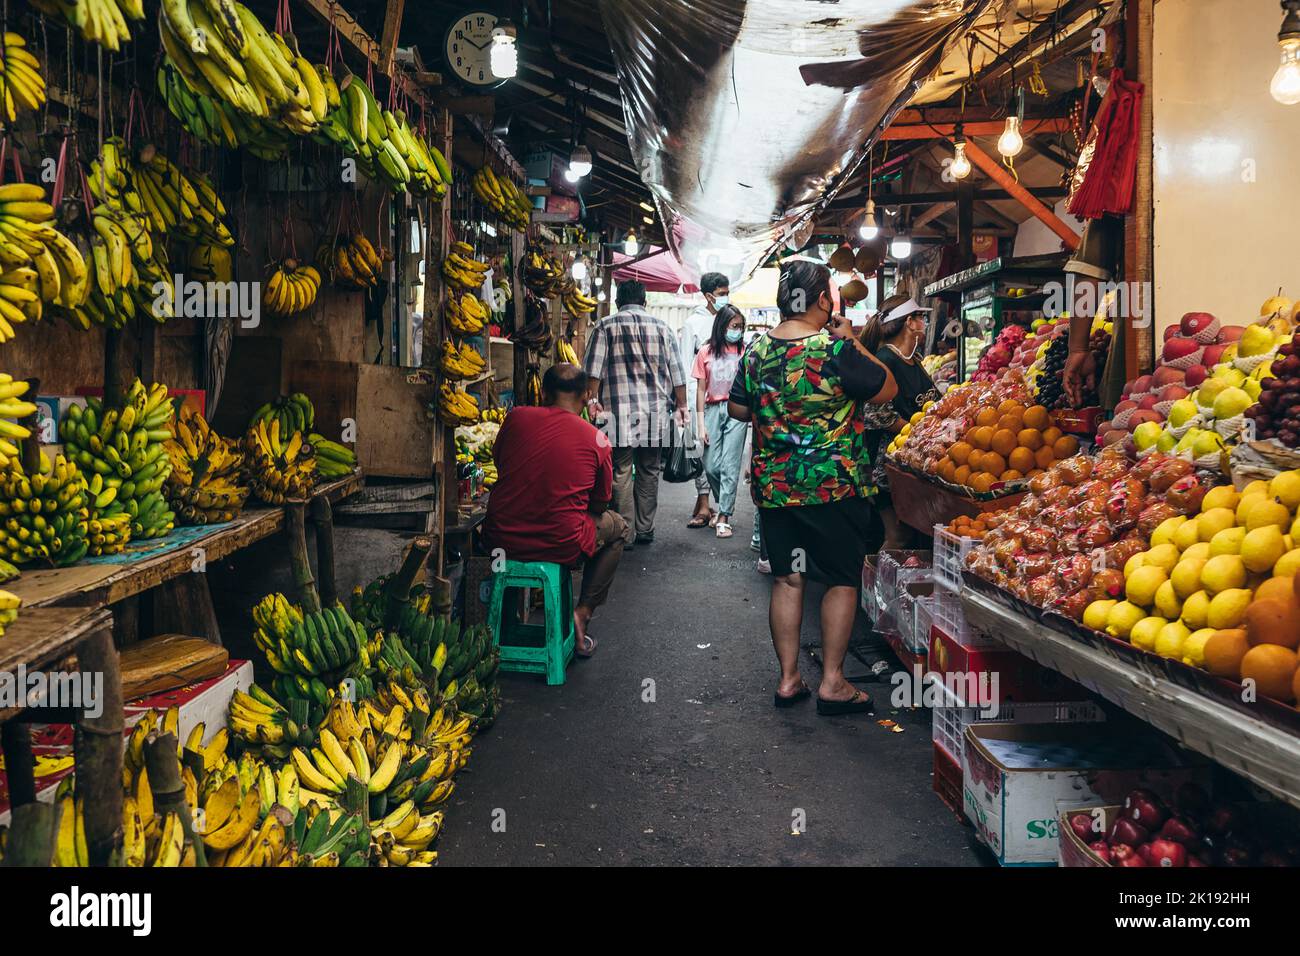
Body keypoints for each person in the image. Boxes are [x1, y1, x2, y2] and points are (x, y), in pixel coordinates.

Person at [728, 261, 897, 715]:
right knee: (840, 580)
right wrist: (855, 340)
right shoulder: (835, 349)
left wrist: (777, 412)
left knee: (788, 578)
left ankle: (787, 680)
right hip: (834, 486)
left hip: (777, 487)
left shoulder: (756, 350)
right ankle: (834, 683)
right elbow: (887, 389)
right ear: (823, 300)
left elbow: (739, 411)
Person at [482, 364, 626, 657]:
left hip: (499, 537)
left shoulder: (516, 418)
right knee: (620, 527)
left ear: (544, 392)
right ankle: (582, 614)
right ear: (586, 396)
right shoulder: (597, 439)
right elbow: (600, 503)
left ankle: (504, 628)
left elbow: (499, 464)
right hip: (560, 543)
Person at [584, 279, 689, 547]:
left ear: (618, 301)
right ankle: (645, 528)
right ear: (644, 301)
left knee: (621, 470)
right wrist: (682, 406)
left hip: (616, 413)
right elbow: (678, 375)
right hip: (654, 413)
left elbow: (592, 371)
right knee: (649, 469)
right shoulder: (663, 328)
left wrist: (593, 400)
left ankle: (625, 531)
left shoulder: (605, 326)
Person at [861, 294, 941, 550]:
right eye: (922, 317)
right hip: (886, 467)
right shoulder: (885, 360)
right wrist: (918, 431)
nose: (925, 323)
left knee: (911, 534)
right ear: (910, 322)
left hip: (912, 462)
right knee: (897, 537)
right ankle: (872, 588)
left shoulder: (913, 360)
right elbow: (878, 414)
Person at [693, 304, 749, 538]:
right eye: (734, 326)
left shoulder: (745, 351)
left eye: (741, 326)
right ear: (722, 325)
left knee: (729, 465)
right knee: (711, 465)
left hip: (737, 409)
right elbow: (700, 389)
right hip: (712, 409)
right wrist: (700, 422)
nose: (738, 330)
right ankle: (722, 502)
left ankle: (724, 514)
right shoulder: (705, 351)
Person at [681, 271, 731, 528]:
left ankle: (723, 507)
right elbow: (683, 364)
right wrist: (685, 406)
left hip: (727, 398)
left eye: (727, 292)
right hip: (698, 399)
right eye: (722, 294)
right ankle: (703, 503)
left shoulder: (732, 320)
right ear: (708, 296)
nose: (726, 297)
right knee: (701, 452)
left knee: (723, 455)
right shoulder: (693, 323)